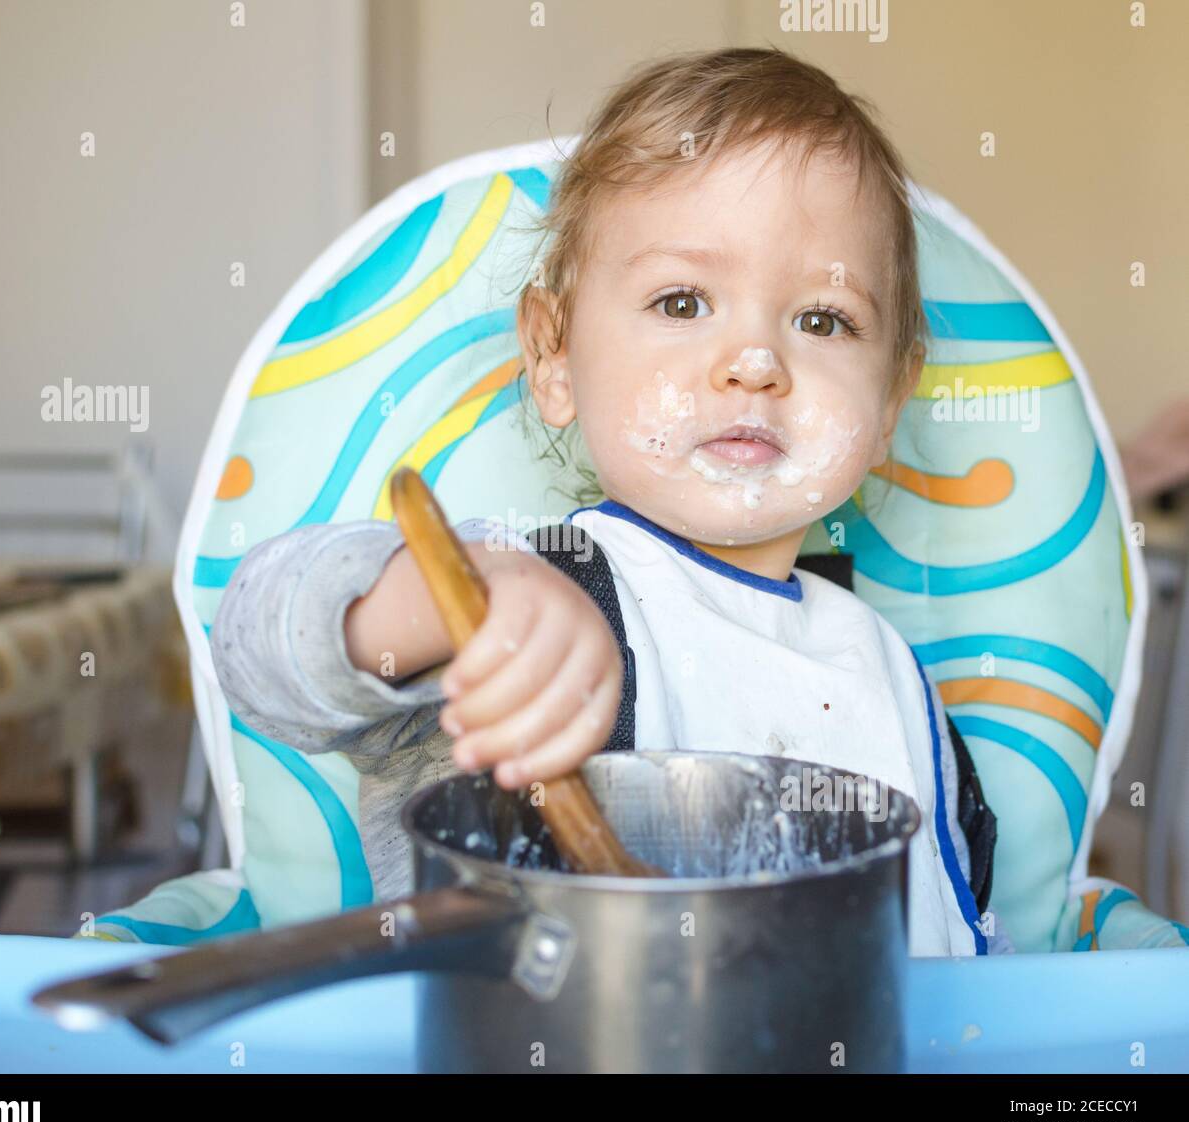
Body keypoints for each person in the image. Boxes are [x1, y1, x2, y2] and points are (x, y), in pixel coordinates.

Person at [210, 47, 1002, 956]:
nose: (754, 361)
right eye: (681, 300)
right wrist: (453, 603)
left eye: (822, 320)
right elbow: (256, 643)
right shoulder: (530, 593)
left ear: (893, 399)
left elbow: (972, 950)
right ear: (553, 356)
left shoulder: (889, 680)